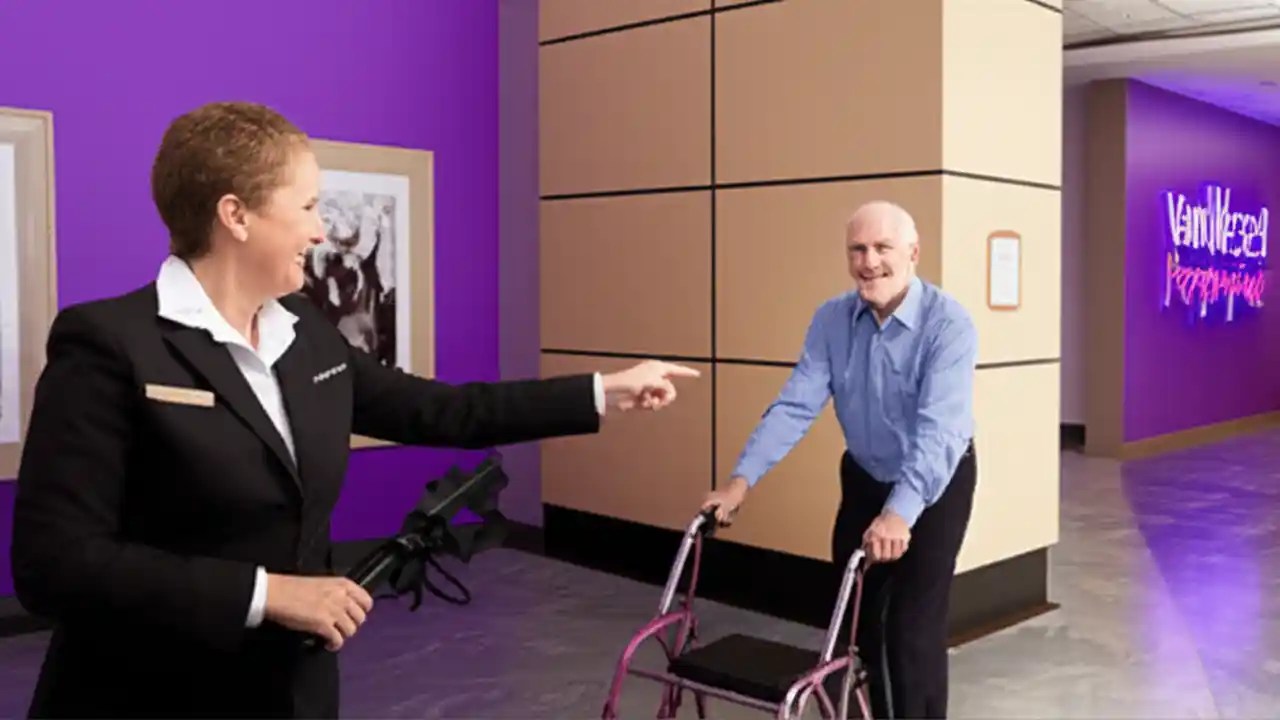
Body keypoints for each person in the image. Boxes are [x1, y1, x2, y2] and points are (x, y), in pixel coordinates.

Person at [9, 101, 699, 719]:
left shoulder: (305, 335)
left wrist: (600, 392)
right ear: (235, 215)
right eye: (308, 205)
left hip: (291, 691)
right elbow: (54, 564)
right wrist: (267, 594)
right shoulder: (109, 344)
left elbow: (443, 410)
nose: (321, 230)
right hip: (149, 693)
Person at [700, 200, 978, 719]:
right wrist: (741, 481)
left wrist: (900, 513)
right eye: (857, 249)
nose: (868, 262)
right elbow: (795, 405)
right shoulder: (832, 319)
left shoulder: (949, 325)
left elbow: (939, 432)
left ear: (913, 253)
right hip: (866, 477)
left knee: (912, 629)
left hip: (934, 484)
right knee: (855, 619)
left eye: (882, 248)